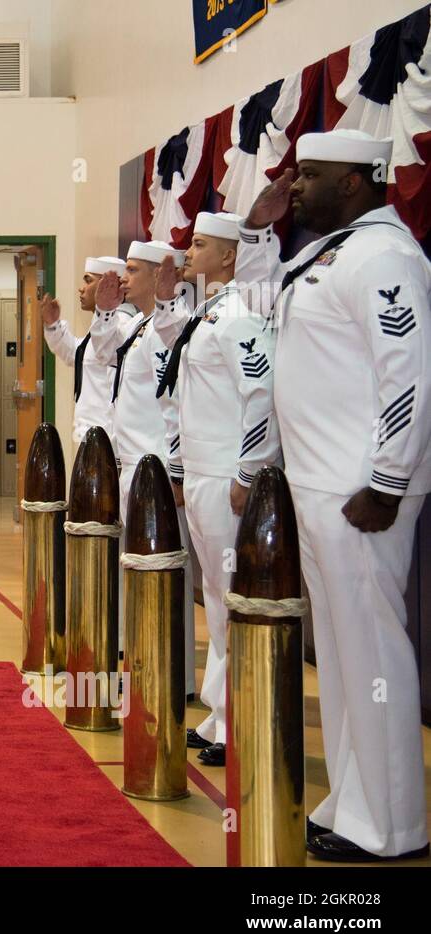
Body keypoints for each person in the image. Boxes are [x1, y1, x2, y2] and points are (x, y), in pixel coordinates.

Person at [237, 129, 431, 862]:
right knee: (346, 662)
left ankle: (392, 825)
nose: (297, 186)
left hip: (359, 495)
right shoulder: (330, 253)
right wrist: (259, 224)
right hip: (319, 489)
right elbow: (259, 301)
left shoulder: (384, 256)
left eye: (311, 175)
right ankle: (353, 804)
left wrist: (386, 483)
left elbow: (409, 369)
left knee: (374, 656)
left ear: (355, 181)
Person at [150, 211, 279, 767]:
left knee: (233, 599)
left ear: (229, 256)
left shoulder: (237, 317)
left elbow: (262, 389)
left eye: (199, 244)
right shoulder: (205, 314)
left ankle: (242, 720)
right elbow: (180, 397)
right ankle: (221, 710)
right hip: (202, 473)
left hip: (228, 475)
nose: (189, 252)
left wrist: (248, 472)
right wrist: (181, 467)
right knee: (216, 601)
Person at [91, 240, 196, 695]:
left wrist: (175, 470)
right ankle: (144, 664)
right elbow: (98, 354)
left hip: (155, 470)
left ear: (160, 275)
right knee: (139, 571)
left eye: (133, 270)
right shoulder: (143, 326)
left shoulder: (169, 329)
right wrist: (106, 311)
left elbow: (174, 403)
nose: (124, 277)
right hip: (132, 465)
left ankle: (173, 678)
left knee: (165, 574)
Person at [39, 257, 131, 444]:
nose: (81, 288)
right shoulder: (100, 328)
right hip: (92, 436)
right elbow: (76, 354)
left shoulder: (121, 325)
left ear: (109, 286)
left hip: (107, 439)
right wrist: (53, 326)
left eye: (88, 280)